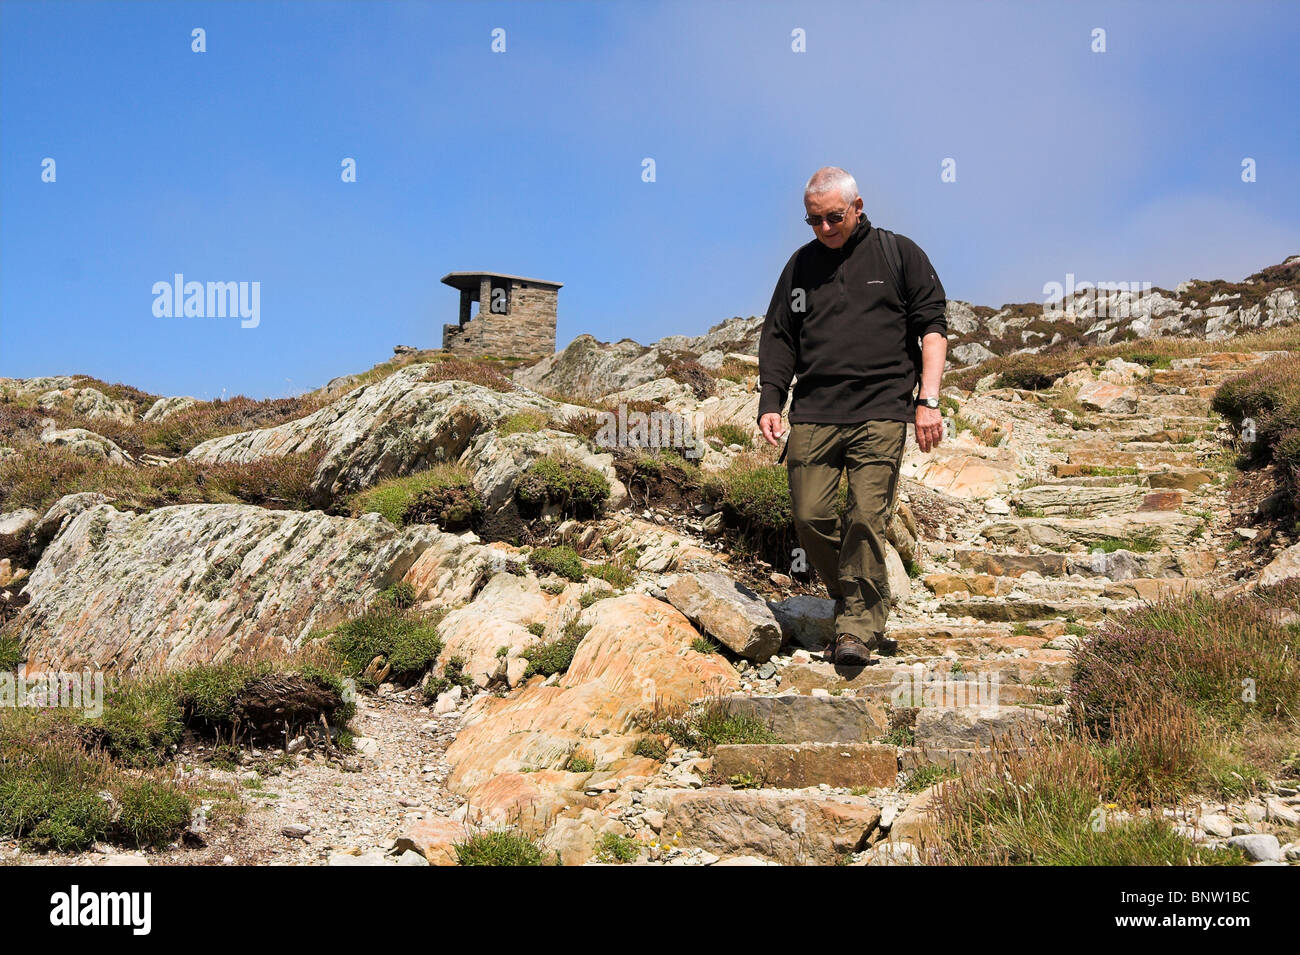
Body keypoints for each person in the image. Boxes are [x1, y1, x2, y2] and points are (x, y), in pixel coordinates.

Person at [757, 167, 948, 666]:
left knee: (865, 516)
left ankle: (858, 625)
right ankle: (859, 599)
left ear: (858, 207)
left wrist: (927, 401)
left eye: (834, 217)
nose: (824, 229)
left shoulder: (898, 254)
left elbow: (933, 329)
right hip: (816, 412)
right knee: (810, 515)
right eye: (813, 220)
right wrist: (771, 401)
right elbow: (779, 335)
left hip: (881, 410)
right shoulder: (801, 267)